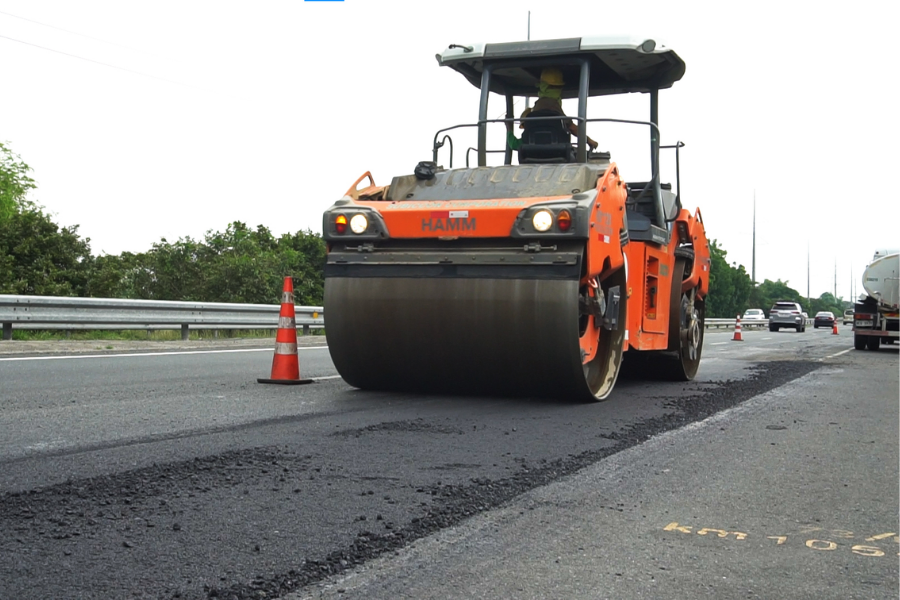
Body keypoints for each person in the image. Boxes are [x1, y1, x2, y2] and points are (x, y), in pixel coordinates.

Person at [506, 68, 598, 151]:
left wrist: (509, 127)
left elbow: (513, 144)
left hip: (532, 156)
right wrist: (589, 140)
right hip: (557, 153)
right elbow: (572, 128)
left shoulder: (537, 109)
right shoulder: (553, 106)